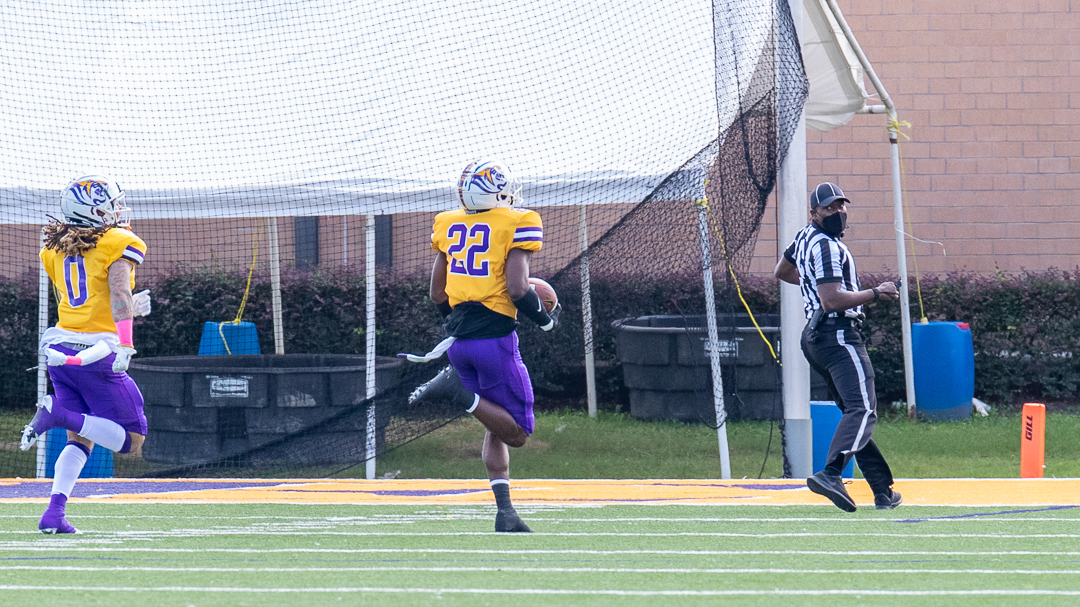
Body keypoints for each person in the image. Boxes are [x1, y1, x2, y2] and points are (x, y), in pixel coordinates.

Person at [405, 159, 560, 532]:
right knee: (518, 433)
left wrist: (461, 323)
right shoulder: (518, 221)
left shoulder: (448, 223)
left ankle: (505, 513)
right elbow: (518, 288)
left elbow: (437, 293)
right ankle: (457, 391)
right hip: (495, 342)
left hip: (458, 344)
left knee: (496, 421)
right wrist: (545, 320)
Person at [19, 175, 152, 534]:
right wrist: (126, 341)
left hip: (61, 351)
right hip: (95, 355)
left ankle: (54, 513)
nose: (118, 209)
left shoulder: (54, 248)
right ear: (94, 211)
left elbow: (83, 303)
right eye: (112, 204)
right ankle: (57, 413)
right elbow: (119, 294)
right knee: (132, 440)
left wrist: (131, 311)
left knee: (81, 437)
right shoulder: (119, 241)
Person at [773, 181, 903, 512]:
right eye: (829, 207)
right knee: (863, 410)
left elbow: (782, 270)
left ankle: (882, 490)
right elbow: (831, 300)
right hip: (839, 334)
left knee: (853, 414)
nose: (838, 211)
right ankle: (831, 474)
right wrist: (876, 293)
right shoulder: (828, 246)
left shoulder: (805, 237)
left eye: (841, 205)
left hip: (816, 337)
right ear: (814, 212)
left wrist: (812, 283)